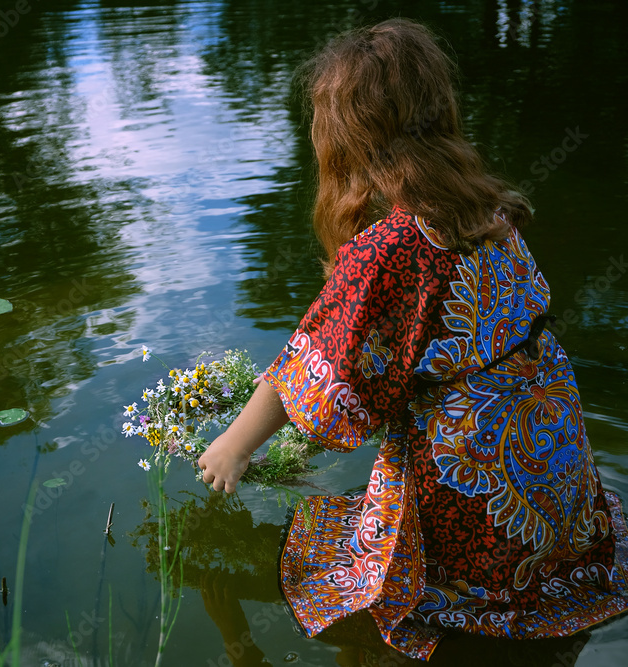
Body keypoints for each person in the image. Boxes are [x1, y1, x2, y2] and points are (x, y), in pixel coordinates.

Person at [197, 18, 628, 661]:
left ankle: (475, 594)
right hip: (550, 446)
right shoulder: (487, 205)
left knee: (375, 581)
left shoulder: (388, 248)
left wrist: (232, 446)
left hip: (475, 474)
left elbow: (323, 370)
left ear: (345, 138)